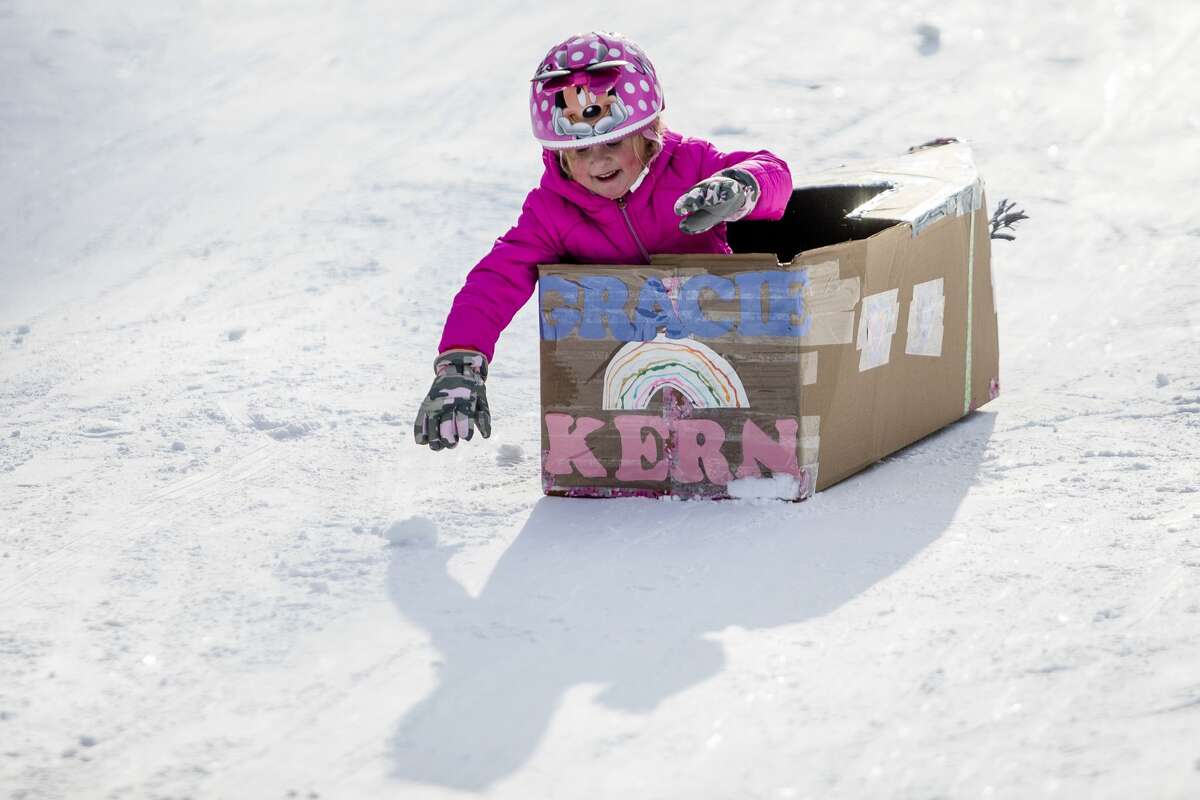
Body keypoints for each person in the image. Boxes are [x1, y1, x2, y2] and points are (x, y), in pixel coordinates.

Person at [414, 31, 792, 451]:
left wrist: (740, 186)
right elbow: (497, 278)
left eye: (613, 141)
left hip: (726, 356)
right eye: (580, 151)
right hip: (617, 390)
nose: (599, 160)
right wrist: (460, 361)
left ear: (646, 132)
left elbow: (774, 173)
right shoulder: (552, 211)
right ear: (558, 155)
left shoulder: (690, 166)